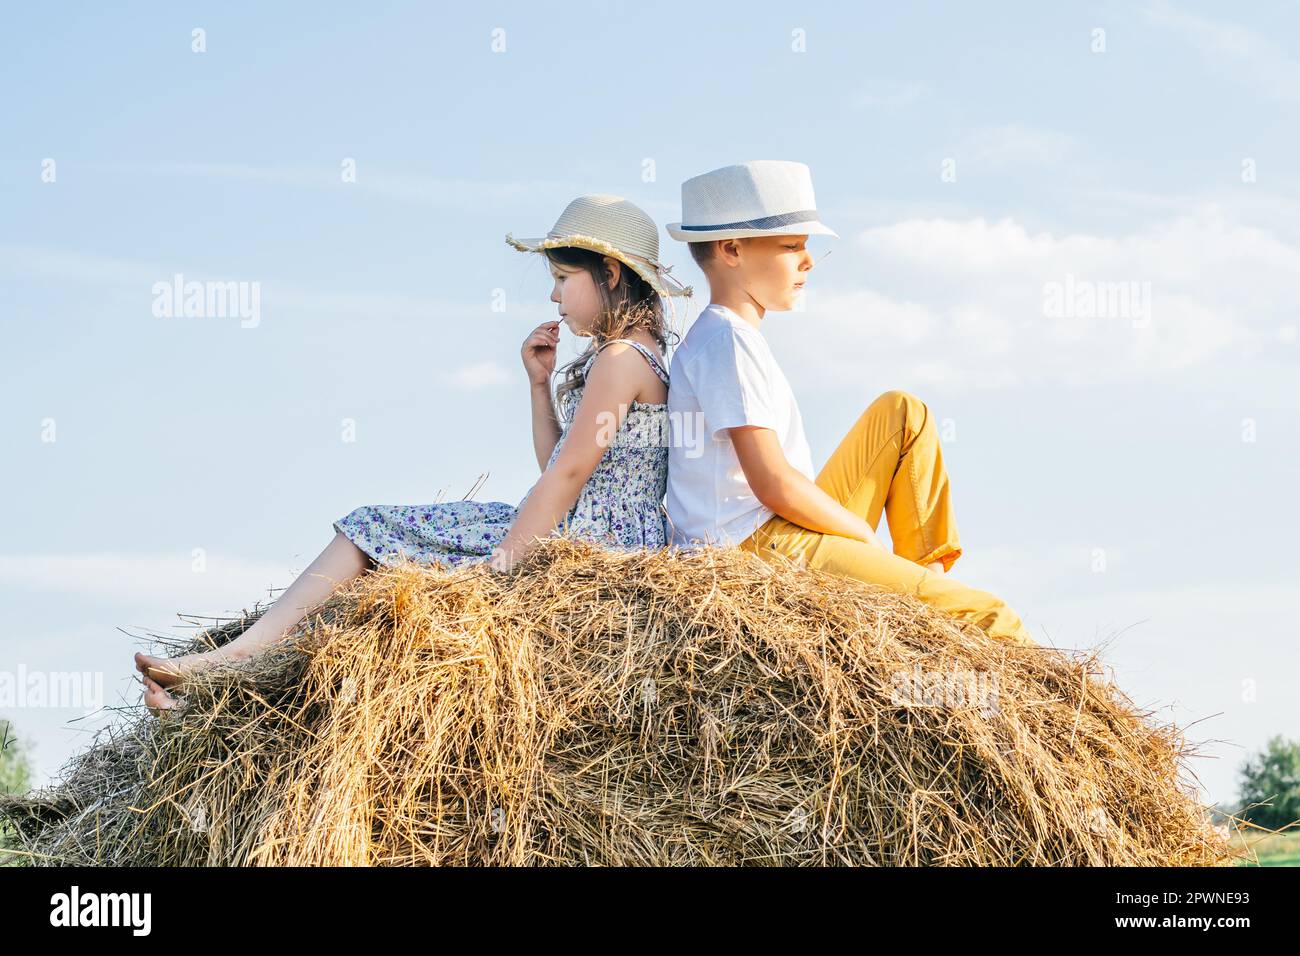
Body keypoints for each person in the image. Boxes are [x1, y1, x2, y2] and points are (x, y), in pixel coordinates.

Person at [136, 194, 692, 711]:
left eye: (564, 278)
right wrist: (538, 384)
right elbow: (562, 464)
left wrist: (507, 566)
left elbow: (569, 474)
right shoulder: (635, 358)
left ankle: (232, 660)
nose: (553, 296)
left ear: (611, 273)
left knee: (367, 528)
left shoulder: (619, 359)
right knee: (376, 573)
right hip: (589, 533)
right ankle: (228, 684)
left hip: (580, 544)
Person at [663, 161, 1035, 646]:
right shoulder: (727, 343)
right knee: (992, 618)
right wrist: (862, 538)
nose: (809, 261)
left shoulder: (726, 338)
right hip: (756, 547)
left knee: (903, 414)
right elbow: (772, 482)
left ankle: (926, 585)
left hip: (773, 528)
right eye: (792, 246)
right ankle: (934, 611)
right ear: (732, 249)